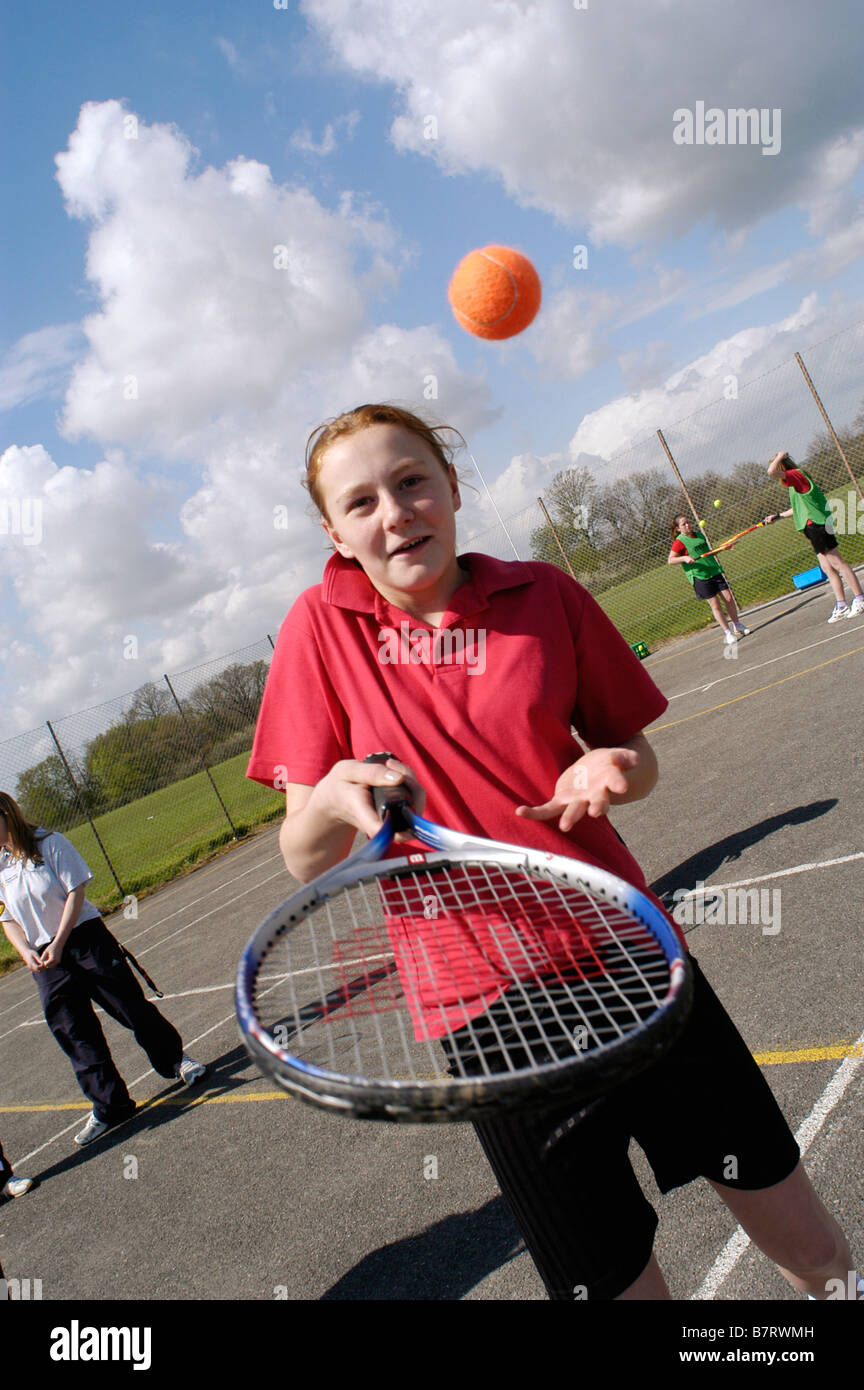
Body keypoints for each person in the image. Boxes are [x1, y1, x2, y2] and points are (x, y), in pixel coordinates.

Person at [246, 402, 857, 1300]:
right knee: (615, 1287)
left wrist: (611, 767)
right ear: (334, 530)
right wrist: (334, 798)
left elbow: (634, 758)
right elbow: (306, 859)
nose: (395, 512)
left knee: (808, 1245)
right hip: (486, 1016)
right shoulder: (319, 629)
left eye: (412, 481)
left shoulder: (544, 595)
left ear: (450, 488)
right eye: (362, 501)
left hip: (631, 958)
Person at [0, 793, 208, 1146]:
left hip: (82, 939)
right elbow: (7, 918)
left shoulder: (49, 843)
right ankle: (111, 1105)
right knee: (73, 1032)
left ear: (6, 815)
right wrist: (26, 952)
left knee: (129, 1005)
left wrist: (61, 941)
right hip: (45, 958)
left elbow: (75, 890)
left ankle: (175, 1062)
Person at [765, 450, 864, 623]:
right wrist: (778, 516)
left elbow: (771, 472)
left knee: (837, 563)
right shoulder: (794, 484)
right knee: (827, 567)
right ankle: (841, 605)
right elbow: (798, 508)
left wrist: (780, 455)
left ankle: (860, 598)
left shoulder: (795, 475)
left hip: (818, 526)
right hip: (812, 528)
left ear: (783, 467)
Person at [668, 515, 749, 644]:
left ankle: (737, 625)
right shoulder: (679, 542)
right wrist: (684, 558)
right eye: (684, 524)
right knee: (715, 605)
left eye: (688, 522)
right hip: (700, 576)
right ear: (678, 528)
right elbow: (670, 560)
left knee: (728, 598)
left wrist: (722, 548)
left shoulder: (699, 535)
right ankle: (727, 633)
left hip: (714, 571)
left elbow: (709, 553)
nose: (688, 525)